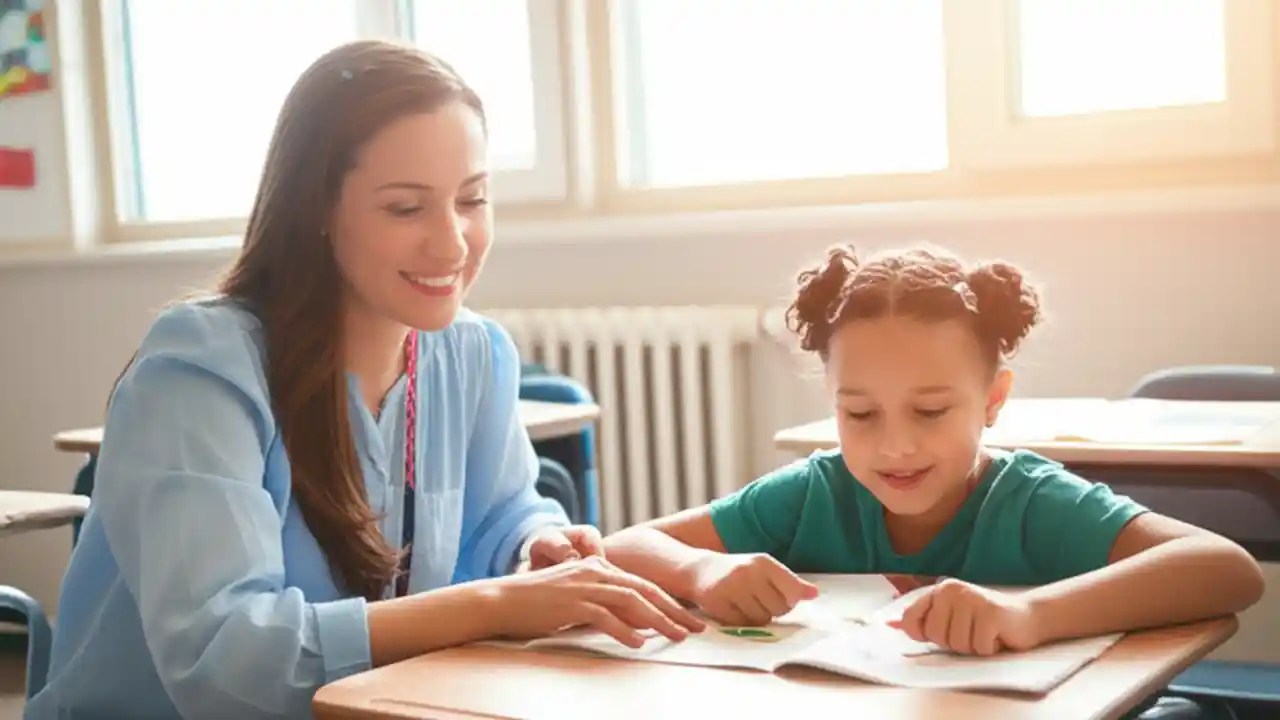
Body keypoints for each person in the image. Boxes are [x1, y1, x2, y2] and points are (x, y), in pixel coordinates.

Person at [26, 40, 701, 720]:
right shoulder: (200, 369)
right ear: (316, 208)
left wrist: (535, 550)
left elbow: (504, 515)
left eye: (472, 200)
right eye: (406, 209)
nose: (452, 243)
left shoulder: (474, 353)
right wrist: (498, 604)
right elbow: (224, 659)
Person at [604, 244, 1264, 657]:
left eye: (931, 410)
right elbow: (624, 547)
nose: (895, 444)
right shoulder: (816, 492)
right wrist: (702, 572)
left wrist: (1029, 613)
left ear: (993, 400)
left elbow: (1226, 570)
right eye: (858, 413)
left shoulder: (1029, 501)